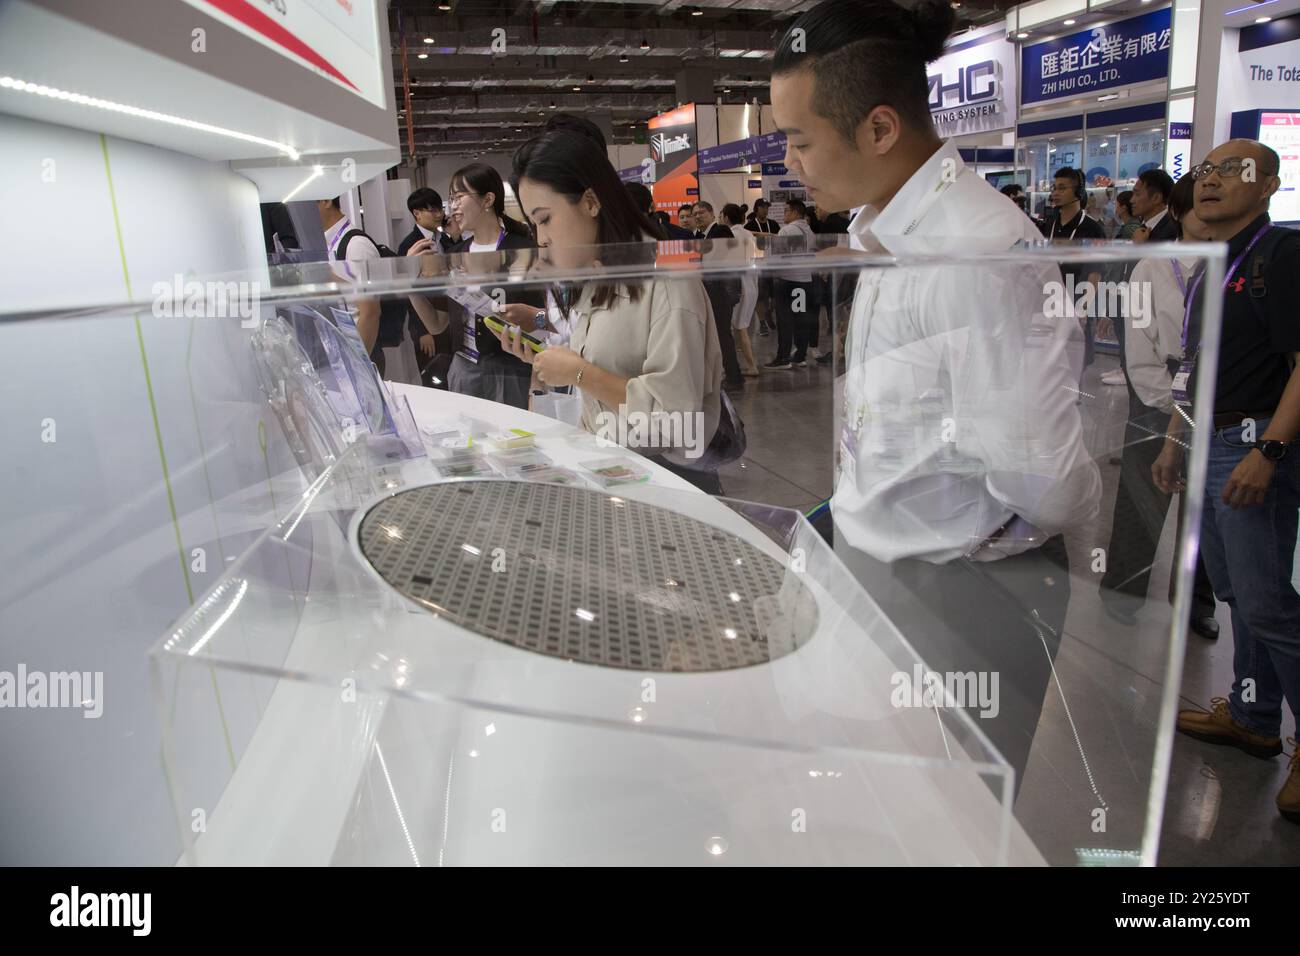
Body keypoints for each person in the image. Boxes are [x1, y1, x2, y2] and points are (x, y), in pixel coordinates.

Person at [771, 0, 1100, 789]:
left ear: (879, 129)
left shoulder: (973, 252)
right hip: (889, 580)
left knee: (950, 818)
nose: (791, 161)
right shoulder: (889, 231)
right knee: (887, 808)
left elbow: (1048, 486)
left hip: (962, 599)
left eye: (800, 138)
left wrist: (967, 538)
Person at [1156, 139, 1300, 824]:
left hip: (1253, 443)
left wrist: (1269, 450)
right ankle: (1252, 715)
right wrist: (1176, 441)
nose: (1210, 182)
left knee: (1269, 601)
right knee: (1241, 593)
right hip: (1209, 439)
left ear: (1269, 184)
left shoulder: (1282, 255)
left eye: (1231, 172)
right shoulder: (1213, 266)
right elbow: (1198, 366)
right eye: (1204, 171)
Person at [495, 130, 725, 493]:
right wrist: (549, 362)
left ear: (590, 201)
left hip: (666, 481)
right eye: (534, 224)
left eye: (545, 219)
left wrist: (580, 373)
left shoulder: (666, 280)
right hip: (616, 470)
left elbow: (678, 419)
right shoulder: (599, 274)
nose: (541, 239)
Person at [1101, 172, 1217, 638]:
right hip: (1158, 400)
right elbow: (1140, 353)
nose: (1209, 216)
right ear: (1178, 211)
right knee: (1139, 499)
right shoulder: (1152, 267)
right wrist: (1176, 407)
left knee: (1205, 510)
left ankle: (1195, 601)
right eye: (1199, 207)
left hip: (1219, 404)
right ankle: (1123, 591)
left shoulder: (1233, 264)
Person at [410, 162, 541, 408]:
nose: (453, 206)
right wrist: (411, 284)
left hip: (510, 368)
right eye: (451, 198)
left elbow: (546, 319)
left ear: (487, 199)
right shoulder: (455, 255)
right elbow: (437, 325)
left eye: (459, 197)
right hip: (462, 368)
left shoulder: (521, 251)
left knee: (512, 441)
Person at [318, 196, 385, 371]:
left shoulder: (357, 245)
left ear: (326, 201)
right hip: (342, 352)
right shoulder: (329, 244)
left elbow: (370, 312)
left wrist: (357, 365)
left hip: (362, 353)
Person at [398, 188, 456, 386]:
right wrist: (423, 331)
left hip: (450, 315)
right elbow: (407, 291)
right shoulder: (409, 245)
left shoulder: (446, 240)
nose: (439, 215)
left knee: (451, 372)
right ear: (417, 213)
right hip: (426, 322)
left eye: (440, 209)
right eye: (433, 210)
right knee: (433, 376)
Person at [693, 201, 746, 389]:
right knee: (718, 335)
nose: (697, 216)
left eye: (701, 213)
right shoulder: (701, 235)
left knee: (723, 335)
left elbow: (723, 259)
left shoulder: (721, 231)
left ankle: (734, 376)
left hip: (722, 291)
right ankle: (727, 374)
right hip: (712, 290)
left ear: (712, 214)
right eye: (695, 214)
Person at [764, 199, 818, 369]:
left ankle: (783, 358)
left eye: (786, 210)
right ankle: (800, 356)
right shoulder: (809, 231)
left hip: (787, 281)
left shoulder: (786, 230)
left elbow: (777, 256)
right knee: (801, 318)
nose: (784, 213)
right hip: (804, 280)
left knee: (785, 321)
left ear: (795, 212)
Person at [720, 203, 761, 377]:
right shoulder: (748, 233)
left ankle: (751, 366)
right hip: (751, 284)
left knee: (739, 327)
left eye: (721, 216)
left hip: (738, 286)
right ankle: (748, 363)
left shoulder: (731, 235)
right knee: (741, 326)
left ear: (727, 218)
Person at [1130, 168, 1177, 244]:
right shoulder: (1143, 226)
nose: (1131, 200)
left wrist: (1139, 248)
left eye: (1137, 194)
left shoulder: (1171, 231)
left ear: (1156, 198)